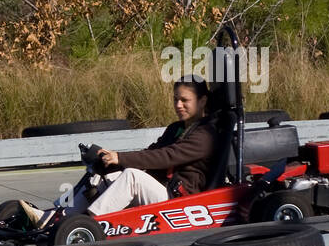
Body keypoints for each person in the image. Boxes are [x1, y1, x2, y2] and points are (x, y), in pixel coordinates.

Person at [19, 77, 219, 228]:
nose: (178, 105)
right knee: (105, 174)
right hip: (163, 187)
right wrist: (113, 159)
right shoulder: (176, 128)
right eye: (175, 99)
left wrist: (121, 158)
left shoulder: (206, 134)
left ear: (202, 101)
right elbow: (150, 152)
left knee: (132, 176)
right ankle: (54, 216)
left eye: (185, 100)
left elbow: (165, 156)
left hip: (181, 200)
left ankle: (86, 225)